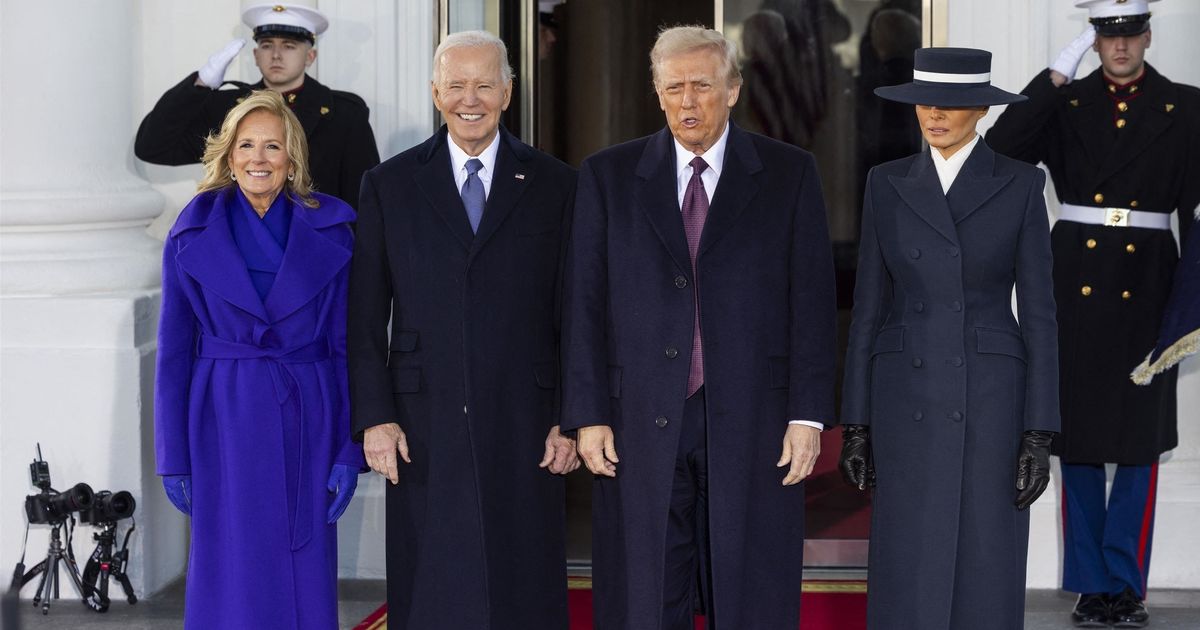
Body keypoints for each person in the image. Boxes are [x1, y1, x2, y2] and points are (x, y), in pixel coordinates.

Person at [562, 26, 837, 629]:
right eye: (675, 87)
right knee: (646, 590)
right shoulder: (608, 176)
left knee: (750, 587)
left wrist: (807, 415)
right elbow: (582, 304)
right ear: (657, 94)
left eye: (703, 86)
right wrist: (587, 414)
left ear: (733, 90)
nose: (689, 101)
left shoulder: (789, 174)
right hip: (637, 418)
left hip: (755, 418)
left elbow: (812, 303)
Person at [347, 30, 579, 630]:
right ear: (435, 92)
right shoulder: (390, 183)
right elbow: (365, 312)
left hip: (529, 412)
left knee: (523, 571)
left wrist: (571, 416)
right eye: (455, 85)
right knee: (434, 576)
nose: (468, 98)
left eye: (483, 84)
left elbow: (575, 308)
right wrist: (375, 415)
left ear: (508, 91)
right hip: (422, 415)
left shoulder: (556, 183)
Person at [987, 1, 1200, 625]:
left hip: (1149, 283)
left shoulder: (1186, 106)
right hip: (1074, 281)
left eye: (1131, 36)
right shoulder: (1068, 104)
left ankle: (1126, 585)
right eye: (1108, 39)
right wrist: (1053, 78)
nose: (1122, 49)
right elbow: (1002, 150)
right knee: (1077, 441)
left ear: (1147, 37)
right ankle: (1089, 583)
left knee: (1137, 446)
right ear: (1095, 43)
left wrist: (1189, 301)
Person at [840, 47, 1059, 630]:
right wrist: (856, 423)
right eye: (925, 102)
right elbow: (868, 309)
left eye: (953, 103)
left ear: (982, 110)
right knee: (907, 560)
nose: (934, 114)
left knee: (986, 557)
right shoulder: (885, 183)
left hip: (989, 396)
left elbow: (1039, 314)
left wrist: (1039, 433)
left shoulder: (1019, 184)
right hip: (903, 394)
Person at [155, 90, 364, 629]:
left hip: (308, 411)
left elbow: (348, 349)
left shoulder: (335, 230)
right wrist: (171, 453)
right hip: (221, 416)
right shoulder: (189, 232)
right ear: (227, 155)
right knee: (229, 565)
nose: (258, 158)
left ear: (292, 157)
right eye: (246, 145)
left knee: (303, 567)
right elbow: (174, 353)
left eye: (273, 146)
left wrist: (348, 446)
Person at [135, 3, 379, 209]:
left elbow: (364, 199)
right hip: (242, 245)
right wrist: (201, 83)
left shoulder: (344, 114)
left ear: (310, 57)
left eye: (289, 46)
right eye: (267, 45)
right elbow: (152, 147)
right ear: (255, 55)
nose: (275, 54)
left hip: (316, 249)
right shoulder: (228, 108)